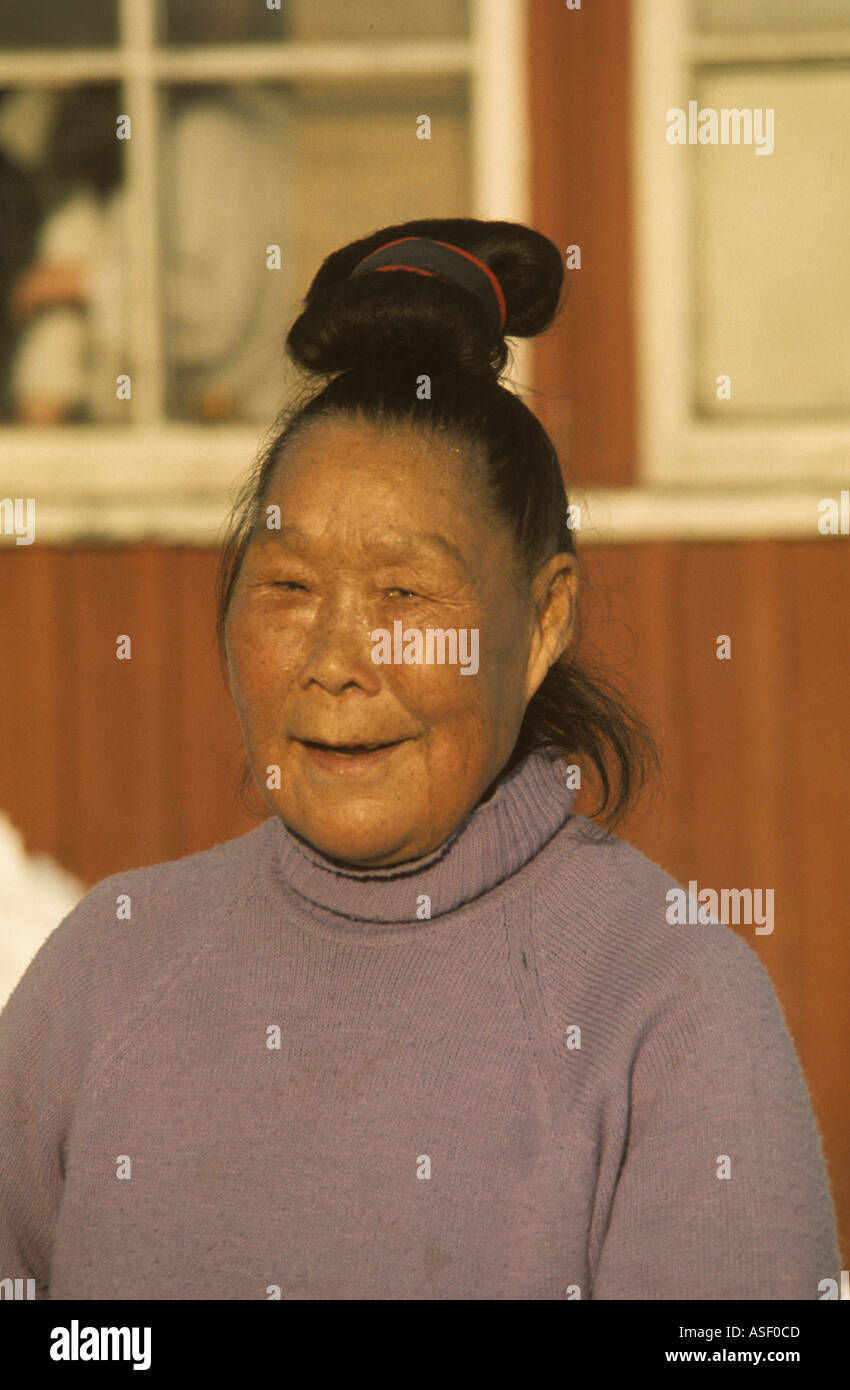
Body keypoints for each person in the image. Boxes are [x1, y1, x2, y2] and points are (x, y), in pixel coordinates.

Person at [0, 218, 840, 1300]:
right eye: (288, 588)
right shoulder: (105, 972)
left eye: (403, 595)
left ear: (539, 623)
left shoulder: (666, 1007)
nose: (337, 662)